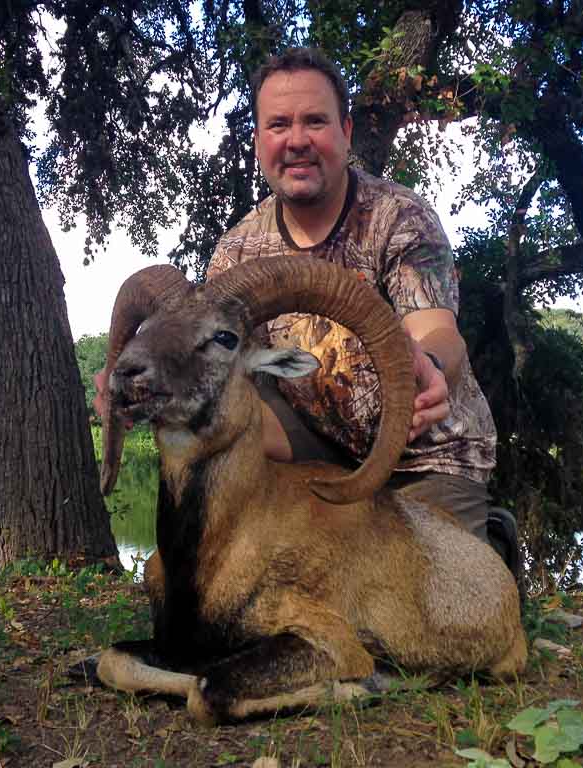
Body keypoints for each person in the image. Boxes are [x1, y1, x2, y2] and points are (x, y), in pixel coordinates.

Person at [96, 47, 519, 582]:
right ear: (258, 142)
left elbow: (438, 330)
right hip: (314, 453)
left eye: (314, 121)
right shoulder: (237, 252)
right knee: (263, 597)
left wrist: (432, 366)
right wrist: (150, 386)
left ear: (345, 132)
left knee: (432, 608)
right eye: (278, 124)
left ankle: (489, 542)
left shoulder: (399, 218)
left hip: (421, 455)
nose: (296, 139)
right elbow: (219, 380)